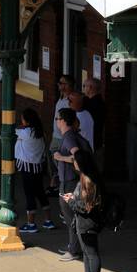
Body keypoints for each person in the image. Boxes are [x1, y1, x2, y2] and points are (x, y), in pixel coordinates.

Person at [63, 149, 106, 272]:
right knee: (87, 253)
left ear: (80, 163)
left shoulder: (88, 180)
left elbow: (86, 207)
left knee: (92, 254)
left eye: (74, 160)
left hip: (88, 224)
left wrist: (71, 202)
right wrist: (73, 198)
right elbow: (82, 201)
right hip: (83, 223)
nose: (73, 162)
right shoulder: (86, 177)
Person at [52, 108, 93, 262]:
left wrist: (60, 157)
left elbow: (78, 157)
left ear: (63, 120)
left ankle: (74, 250)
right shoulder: (74, 136)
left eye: (57, 118)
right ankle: (74, 246)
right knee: (73, 216)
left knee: (70, 217)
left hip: (69, 182)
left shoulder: (69, 137)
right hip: (73, 181)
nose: (56, 121)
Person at [16, 108, 56, 232]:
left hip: (26, 168)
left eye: (22, 118)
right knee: (40, 193)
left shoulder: (26, 133)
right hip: (38, 167)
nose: (21, 120)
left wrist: (20, 127)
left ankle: (31, 224)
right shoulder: (40, 132)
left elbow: (10, 129)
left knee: (29, 195)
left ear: (27, 121)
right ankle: (48, 221)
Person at [83, 78, 106, 172]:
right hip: (97, 141)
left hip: (91, 141)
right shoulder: (100, 102)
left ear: (90, 88)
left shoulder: (91, 104)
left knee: (91, 170)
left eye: (84, 86)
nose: (83, 88)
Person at [52, 73, 74, 139]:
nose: (58, 84)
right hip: (56, 136)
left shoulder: (72, 101)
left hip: (64, 138)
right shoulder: (61, 97)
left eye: (60, 83)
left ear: (67, 85)